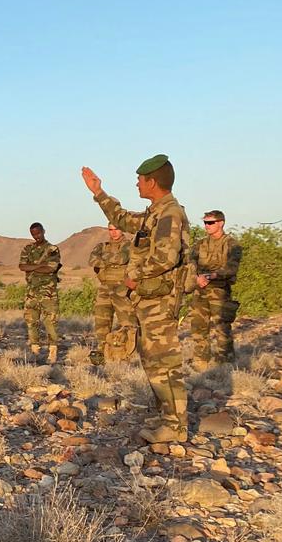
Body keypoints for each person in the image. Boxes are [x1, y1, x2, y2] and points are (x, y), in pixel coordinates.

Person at [82, 155, 191, 444]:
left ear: (152, 181)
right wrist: (98, 192)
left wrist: (133, 277)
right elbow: (121, 219)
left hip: (161, 300)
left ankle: (176, 427)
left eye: (140, 179)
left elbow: (166, 258)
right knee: (152, 360)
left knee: (163, 362)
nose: (137, 183)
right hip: (149, 299)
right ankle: (166, 416)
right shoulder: (155, 213)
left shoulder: (170, 214)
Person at [189, 210, 242, 367]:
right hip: (200, 289)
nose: (207, 226)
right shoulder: (199, 244)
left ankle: (225, 362)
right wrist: (197, 277)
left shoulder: (232, 245)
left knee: (222, 327)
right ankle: (200, 361)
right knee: (198, 326)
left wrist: (211, 276)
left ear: (221, 223)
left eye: (210, 222)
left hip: (219, 289)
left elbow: (231, 268)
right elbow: (190, 263)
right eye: (205, 222)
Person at [88, 225, 133, 365]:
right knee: (102, 322)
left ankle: (126, 354)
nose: (114, 233)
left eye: (116, 229)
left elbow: (123, 259)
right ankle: (103, 352)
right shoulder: (101, 246)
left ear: (122, 230)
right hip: (104, 287)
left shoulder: (130, 245)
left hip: (122, 287)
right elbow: (92, 260)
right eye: (111, 230)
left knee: (126, 323)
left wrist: (105, 261)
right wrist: (111, 260)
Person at [19, 222, 62, 363]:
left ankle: (53, 352)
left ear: (44, 231)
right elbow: (22, 266)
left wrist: (32, 267)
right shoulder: (28, 248)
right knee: (31, 321)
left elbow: (50, 268)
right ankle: (35, 351)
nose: (36, 236)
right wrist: (39, 266)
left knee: (51, 322)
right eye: (33, 234)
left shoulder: (52, 249)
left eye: (38, 233)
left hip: (48, 292)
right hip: (32, 291)